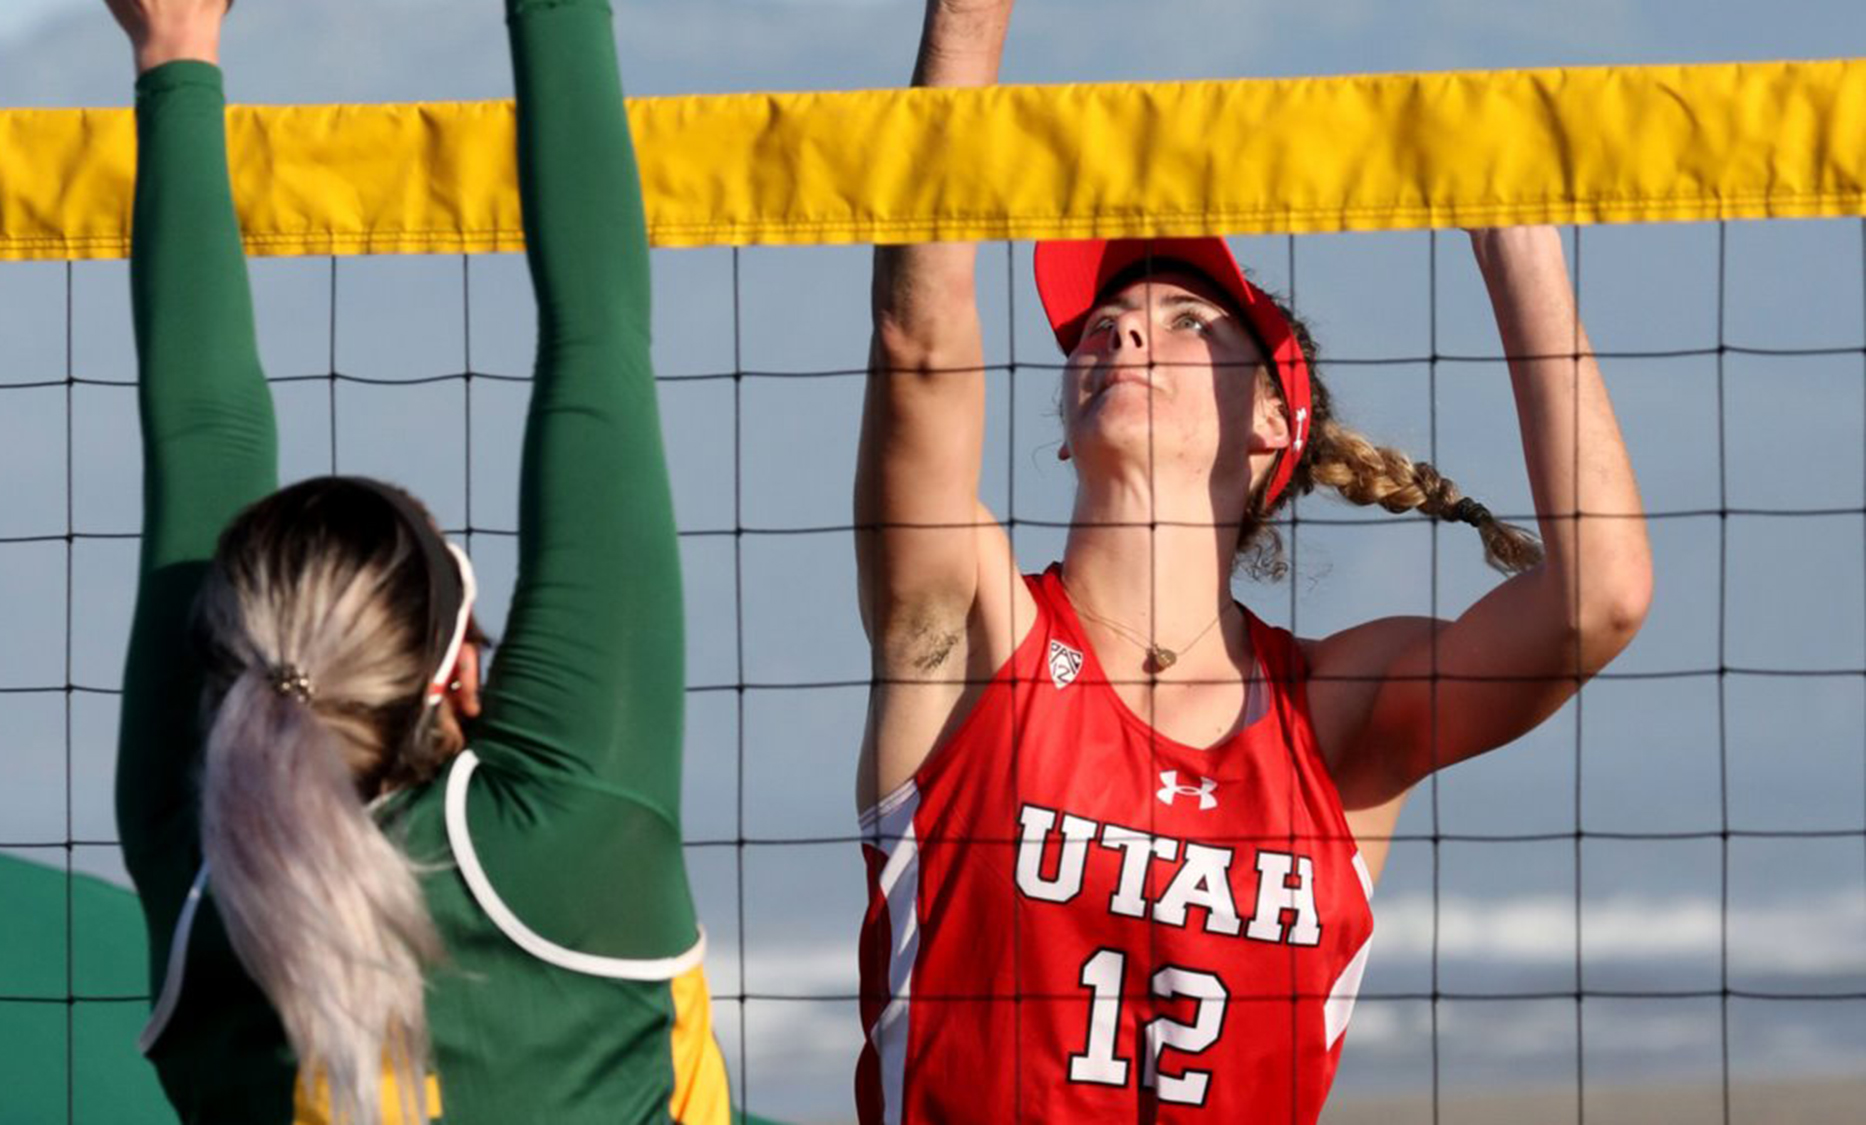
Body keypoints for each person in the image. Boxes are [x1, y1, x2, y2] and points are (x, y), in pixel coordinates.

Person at [851, 2, 1653, 1121]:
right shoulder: (977, 629)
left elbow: (1597, 601)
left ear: (1274, 425)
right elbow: (917, 343)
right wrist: (969, 23)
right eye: (1100, 322)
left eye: (1187, 320)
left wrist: (1515, 245)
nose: (1123, 331)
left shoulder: (1328, 711)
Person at [104, 0, 731, 1121]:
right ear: (455, 676)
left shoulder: (205, 878)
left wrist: (173, 46)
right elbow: (596, 342)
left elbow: (207, 437)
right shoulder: (557, 846)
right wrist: (175, 51)